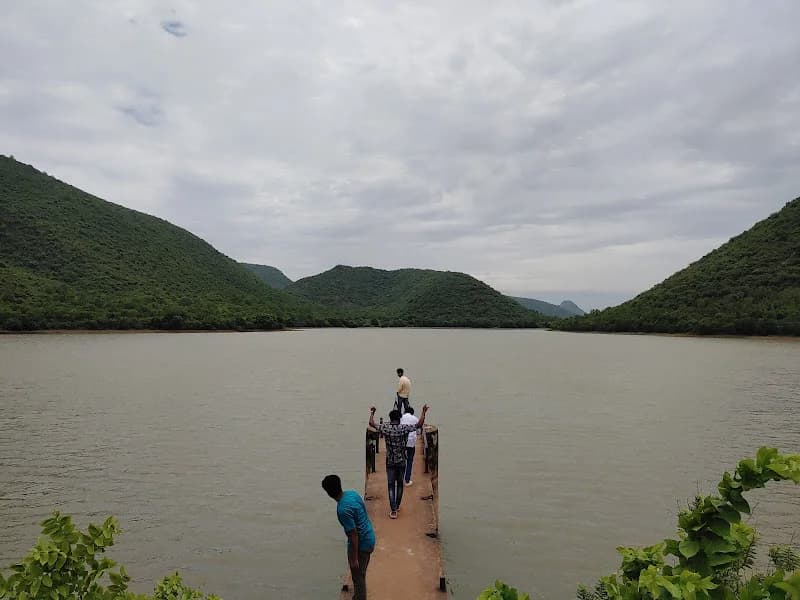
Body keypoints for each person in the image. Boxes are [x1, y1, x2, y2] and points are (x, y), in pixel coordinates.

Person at [321, 474, 375, 600]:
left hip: (362, 544)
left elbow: (353, 534)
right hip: (369, 535)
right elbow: (363, 512)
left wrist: (354, 557)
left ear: (328, 493)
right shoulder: (352, 494)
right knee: (361, 573)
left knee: (358, 576)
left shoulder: (342, 509)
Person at [369, 404, 428, 518]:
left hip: (390, 461)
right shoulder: (404, 428)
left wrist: (372, 412)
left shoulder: (386, 428)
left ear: (390, 418)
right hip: (402, 461)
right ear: (399, 418)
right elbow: (419, 425)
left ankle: (393, 510)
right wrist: (423, 412)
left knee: (391, 485)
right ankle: (397, 505)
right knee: (400, 484)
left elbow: (371, 423)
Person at [400, 407, 419, 486]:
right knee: (410, 461)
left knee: (401, 460)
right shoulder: (415, 418)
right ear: (412, 413)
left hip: (402, 441)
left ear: (405, 412)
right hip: (411, 443)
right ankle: (407, 480)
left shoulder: (401, 417)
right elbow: (418, 429)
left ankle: (399, 479)